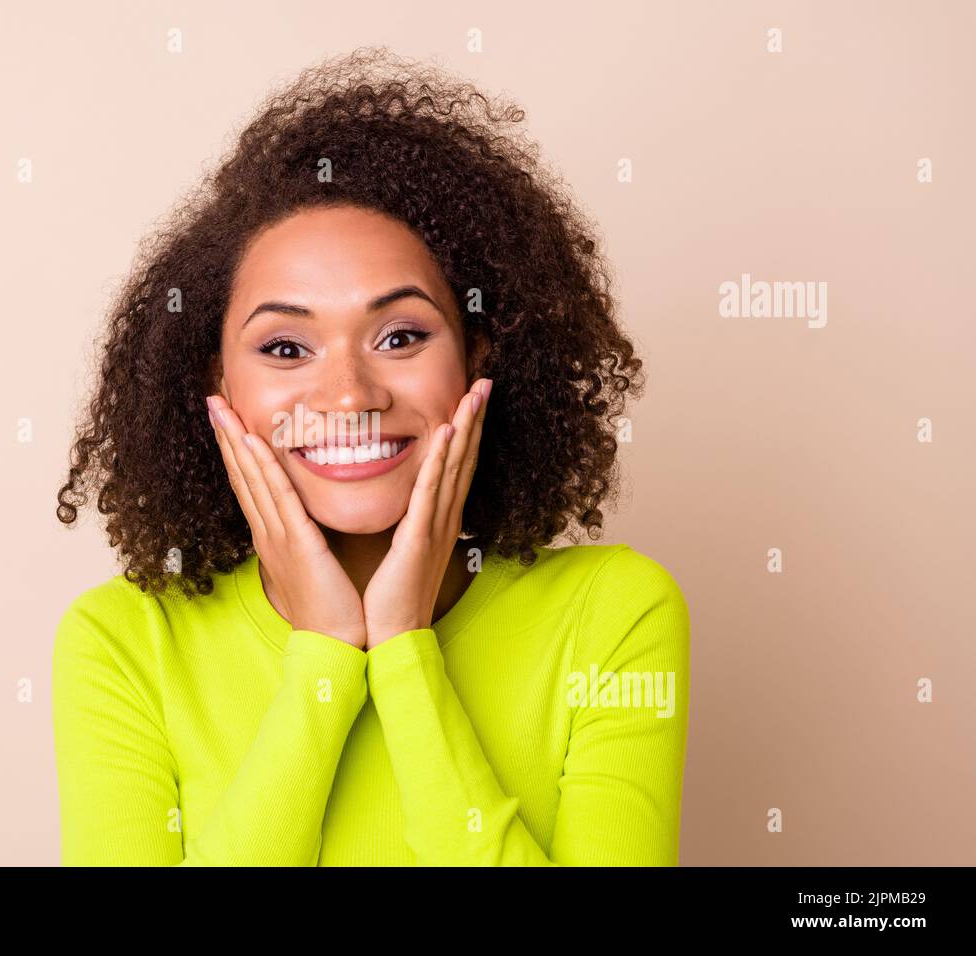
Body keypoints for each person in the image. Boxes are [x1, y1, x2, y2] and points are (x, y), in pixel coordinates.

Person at [52, 46, 690, 866]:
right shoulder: (123, 643)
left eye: (401, 336)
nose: (349, 395)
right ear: (217, 385)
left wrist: (402, 651)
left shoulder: (616, 617)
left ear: (477, 358)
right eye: (285, 348)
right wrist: (321, 660)